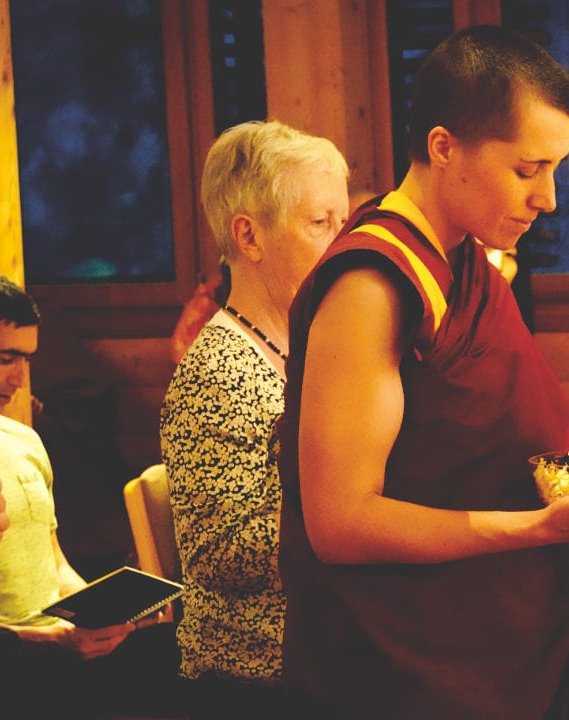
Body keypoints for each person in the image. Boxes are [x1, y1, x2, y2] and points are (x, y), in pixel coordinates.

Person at [277, 25, 569, 719]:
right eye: (527, 169)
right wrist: (540, 528)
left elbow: (497, 431)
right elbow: (341, 523)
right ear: (444, 148)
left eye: (555, 169)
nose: (549, 198)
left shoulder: (460, 260)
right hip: (413, 664)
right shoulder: (371, 285)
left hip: (511, 620)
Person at [160, 119, 350, 717]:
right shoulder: (215, 369)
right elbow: (219, 556)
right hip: (256, 682)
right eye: (321, 224)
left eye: (345, 224)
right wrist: (354, 506)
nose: (343, 244)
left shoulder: (307, 342)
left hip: (322, 655)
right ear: (249, 236)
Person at [0, 270, 182, 717]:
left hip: (57, 649)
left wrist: (96, 616)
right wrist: (45, 639)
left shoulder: (24, 441)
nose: (22, 377)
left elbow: (55, 562)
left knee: (175, 652)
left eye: (28, 359)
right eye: (7, 358)